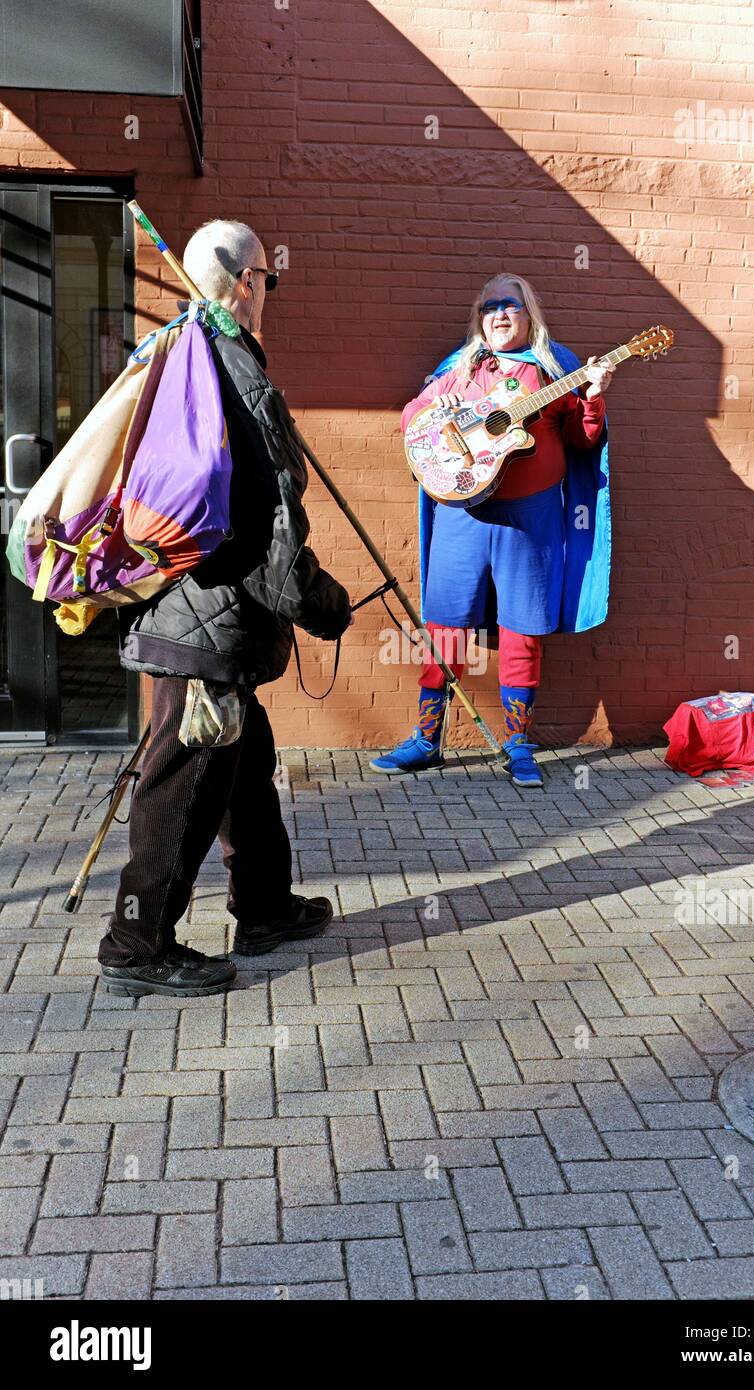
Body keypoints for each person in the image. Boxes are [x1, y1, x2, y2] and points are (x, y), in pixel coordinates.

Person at [98, 219, 351, 998]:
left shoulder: (183, 352)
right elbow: (275, 525)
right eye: (269, 277)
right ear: (245, 282)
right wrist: (321, 604)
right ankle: (136, 945)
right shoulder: (237, 373)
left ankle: (265, 909)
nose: (269, 290)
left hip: (191, 613)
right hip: (207, 628)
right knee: (182, 786)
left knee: (244, 762)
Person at [371, 272, 615, 788]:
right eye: (491, 307)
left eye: (512, 306)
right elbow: (414, 418)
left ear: (531, 316)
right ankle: (427, 739)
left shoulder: (555, 370)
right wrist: (434, 414)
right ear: (479, 318)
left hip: (529, 521)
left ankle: (518, 744)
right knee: (444, 627)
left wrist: (592, 397)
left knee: (523, 630)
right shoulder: (457, 369)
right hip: (462, 515)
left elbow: (582, 439)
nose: (500, 314)